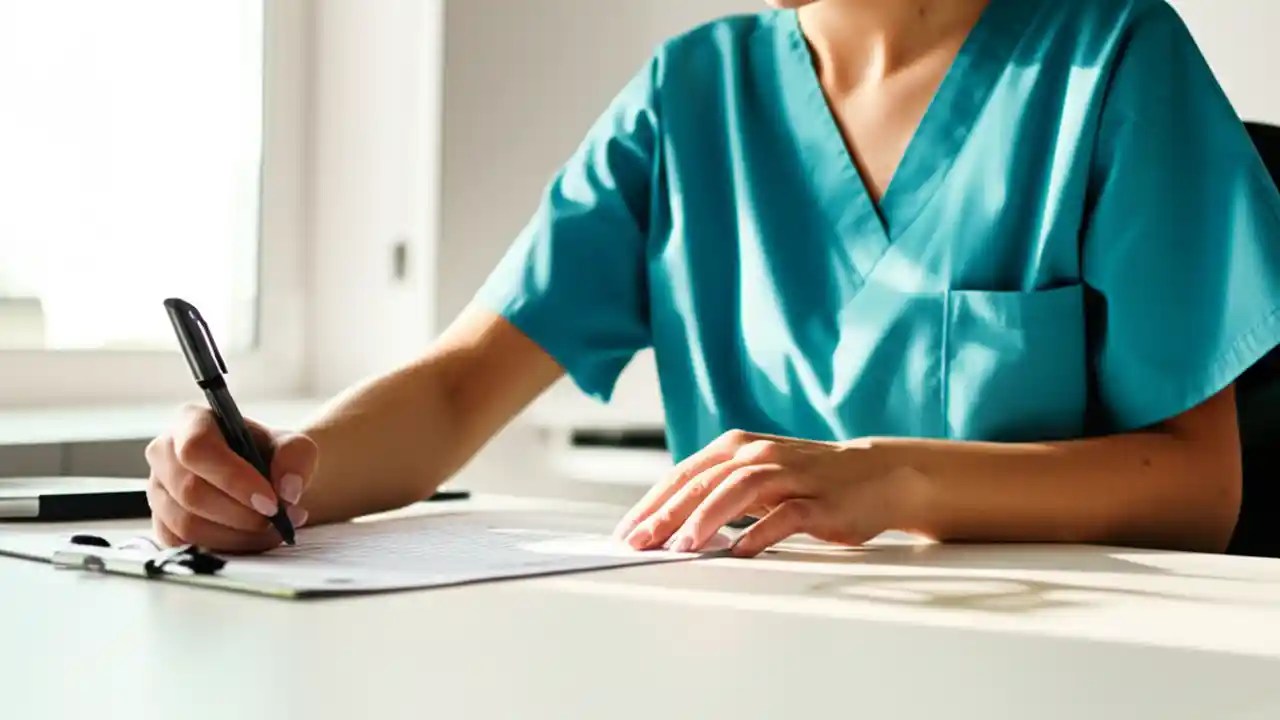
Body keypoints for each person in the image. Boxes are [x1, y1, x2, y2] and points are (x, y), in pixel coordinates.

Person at [145, 0, 1280, 556]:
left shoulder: (1113, 59)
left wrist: (892, 480)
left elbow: (1195, 486)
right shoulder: (690, 95)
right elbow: (457, 389)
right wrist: (281, 473)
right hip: (750, 658)